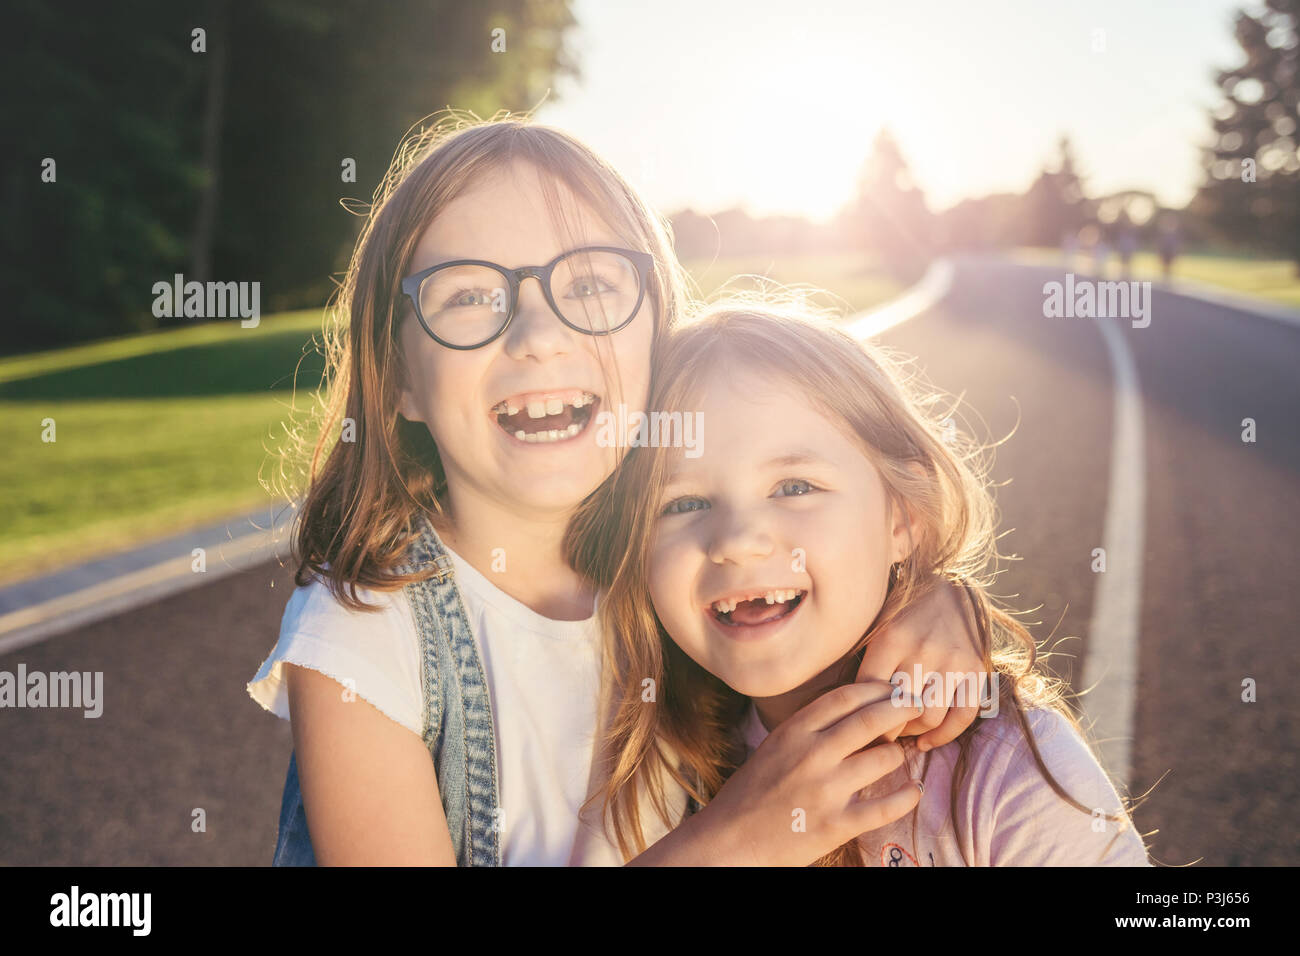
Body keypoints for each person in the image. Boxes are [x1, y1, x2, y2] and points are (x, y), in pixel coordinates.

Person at [246, 114, 984, 865]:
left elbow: (831, 573)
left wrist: (926, 596)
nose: (537, 334)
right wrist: (737, 842)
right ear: (398, 375)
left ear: (656, 336)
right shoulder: (362, 633)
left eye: (591, 284)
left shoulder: (687, 557)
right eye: (468, 296)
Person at [575, 299, 1151, 866]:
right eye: (684, 502)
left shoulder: (1006, 772)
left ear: (902, 518)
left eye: (795, 487)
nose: (736, 540)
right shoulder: (651, 761)